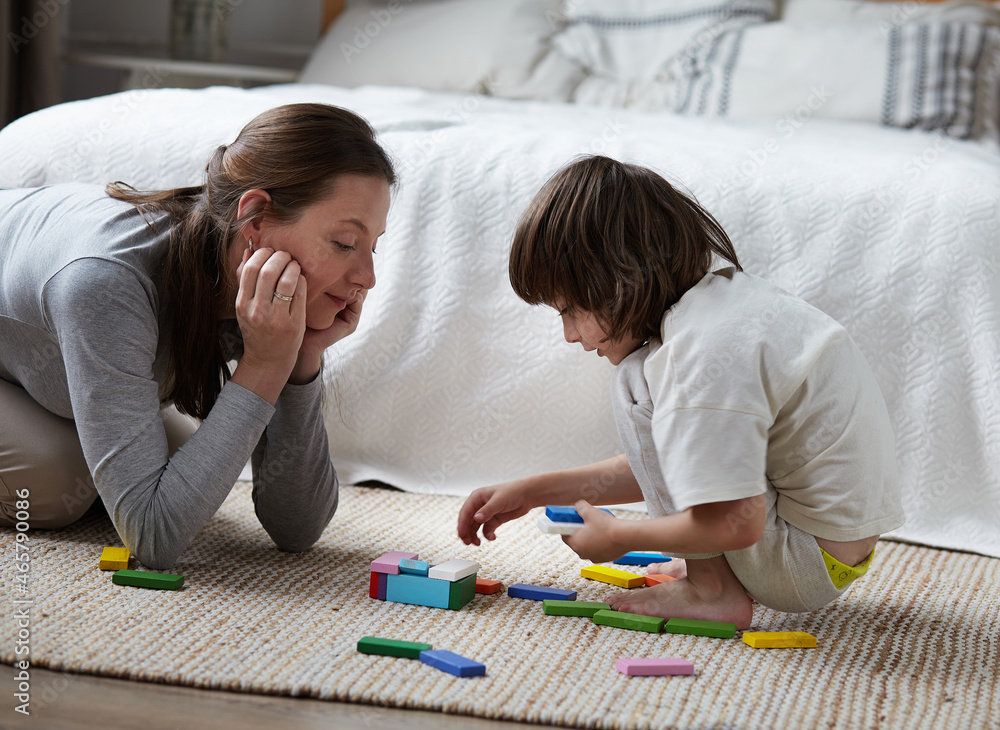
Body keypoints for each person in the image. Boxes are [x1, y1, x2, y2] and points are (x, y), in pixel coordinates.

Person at [457, 155, 903, 628]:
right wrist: (535, 491)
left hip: (801, 562)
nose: (569, 335)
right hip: (832, 548)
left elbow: (733, 520)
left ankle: (713, 592)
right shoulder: (725, 307)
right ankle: (711, 575)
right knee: (655, 391)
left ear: (619, 279)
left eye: (569, 310)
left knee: (634, 379)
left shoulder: (696, 355)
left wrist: (621, 538)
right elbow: (684, 463)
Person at [0, 103, 395, 570]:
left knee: (182, 462)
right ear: (255, 219)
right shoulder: (106, 284)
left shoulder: (251, 281)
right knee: (51, 481)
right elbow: (153, 537)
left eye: (373, 247)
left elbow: (297, 527)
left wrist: (301, 355)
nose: (367, 277)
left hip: (38, 357)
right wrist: (265, 364)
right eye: (345, 243)